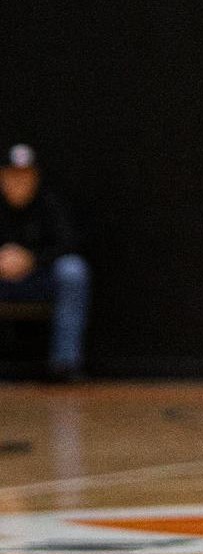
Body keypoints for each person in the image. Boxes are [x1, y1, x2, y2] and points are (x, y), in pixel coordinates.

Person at [0, 144, 90, 381]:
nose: (19, 182)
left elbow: (70, 242)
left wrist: (31, 259)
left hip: (38, 278)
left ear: (35, 177)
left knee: (73, 271)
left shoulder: (50, 203)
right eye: (13, 176)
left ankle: (64, 365)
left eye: (25, 176)